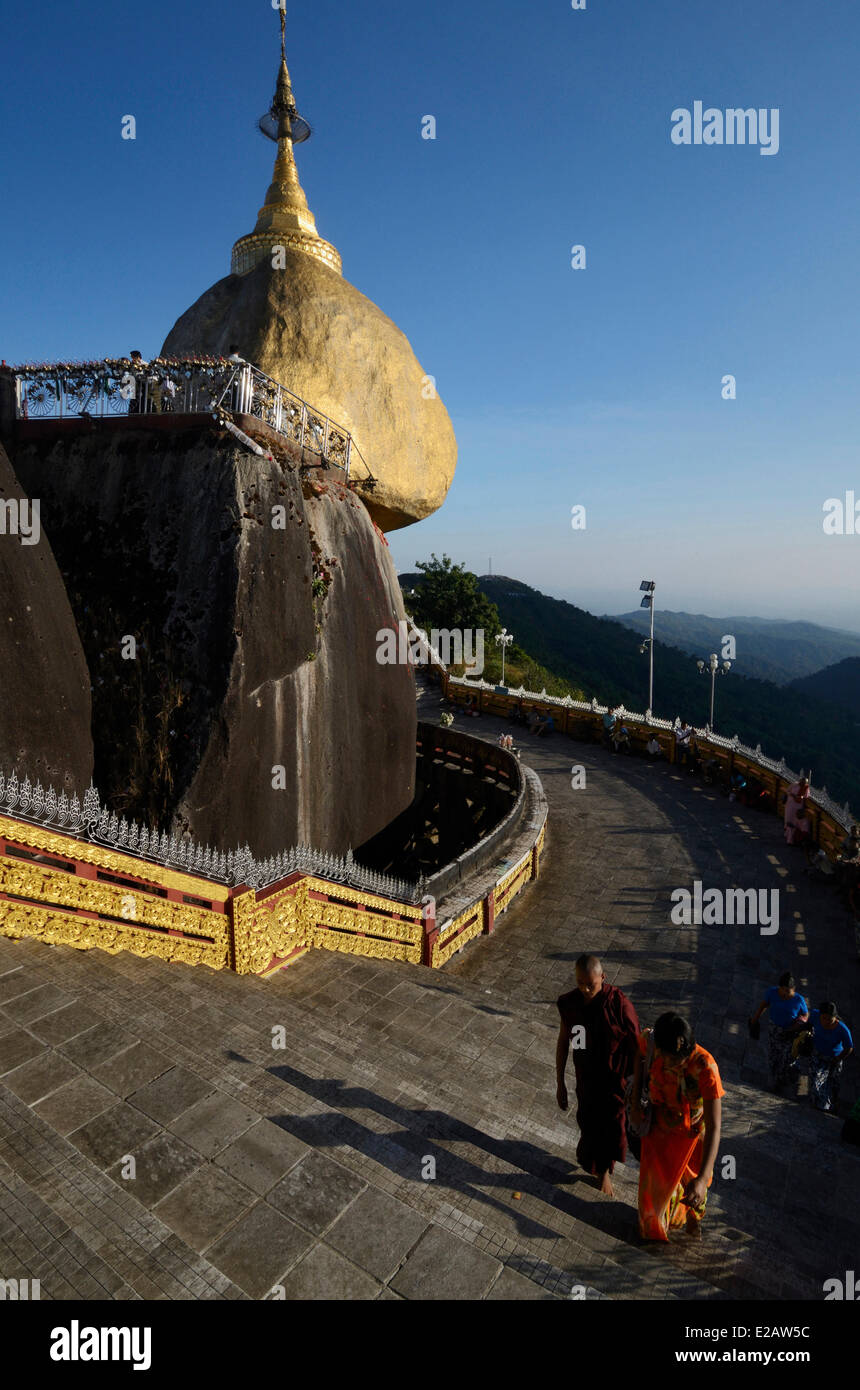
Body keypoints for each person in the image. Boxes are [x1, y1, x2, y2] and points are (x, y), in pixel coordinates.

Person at [630, 1012, 723, 1241]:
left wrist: (701, 1179)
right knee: (654, 1190)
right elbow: (639, 1056)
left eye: (675, 1060)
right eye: (665, 1056)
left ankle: (692, 1219)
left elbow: (714, 1127)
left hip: (692, 1140)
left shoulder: (706, 1068)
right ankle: (654, 1231)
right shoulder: (651, 1042)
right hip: (659, 1131)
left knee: (691, 1191)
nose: (668, 1063)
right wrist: (634, 1103)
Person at [556, 955, 640, 1197]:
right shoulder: (571, 1004)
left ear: (603, 978)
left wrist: (637, 1089)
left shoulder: (618, 1004)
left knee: (614, 1129)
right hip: (587, 1079)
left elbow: (637, 1048)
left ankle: (603, 1171)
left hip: (616, 1082)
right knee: (589, 1125)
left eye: (590, 984)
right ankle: (600, 1170)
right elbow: (563, 1042)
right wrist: (560, 1082)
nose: (584, 989)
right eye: (580, 983)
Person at [749, 972, 809, 1092]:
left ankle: (787, 1077)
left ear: (794, 989)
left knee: (787, 1057)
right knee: (773, 1055)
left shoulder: (798, 1000)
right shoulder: (772, 993)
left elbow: (805, 1014)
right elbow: (764, 1005)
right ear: (779, 988)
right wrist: (755, 1019)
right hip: (774, 1029)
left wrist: (799, 1023)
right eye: (783, 990)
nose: (785, 994)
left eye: (788, 991)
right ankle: (775, 1080)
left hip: (790, 1031)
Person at [808, 1002, 853, 1112]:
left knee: (832, 1083)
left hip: (834, 1058)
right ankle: (819, 1105)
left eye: (830, 1019)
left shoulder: (842, 1029)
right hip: (818, 1055)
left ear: (835, 1017)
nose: (826, 1021)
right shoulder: (815, 1015)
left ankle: (831, 1105)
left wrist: (838, 1059)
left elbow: (849, 1047)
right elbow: (808, 1024)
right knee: (815, 1080)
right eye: (824, 1018)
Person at [783, 778, 812, 846]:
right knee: (788, 818)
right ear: (800, 781)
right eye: (802, 782)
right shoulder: (794, 785)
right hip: (790, 804)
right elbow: (787, 791)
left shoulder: (806, 788)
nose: (802, 783)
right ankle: (787, 834)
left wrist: (801, 797)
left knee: (794, 821)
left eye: (804, 782)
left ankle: (791, 838)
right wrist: (793, 795)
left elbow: (807, 796)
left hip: (798, 805)